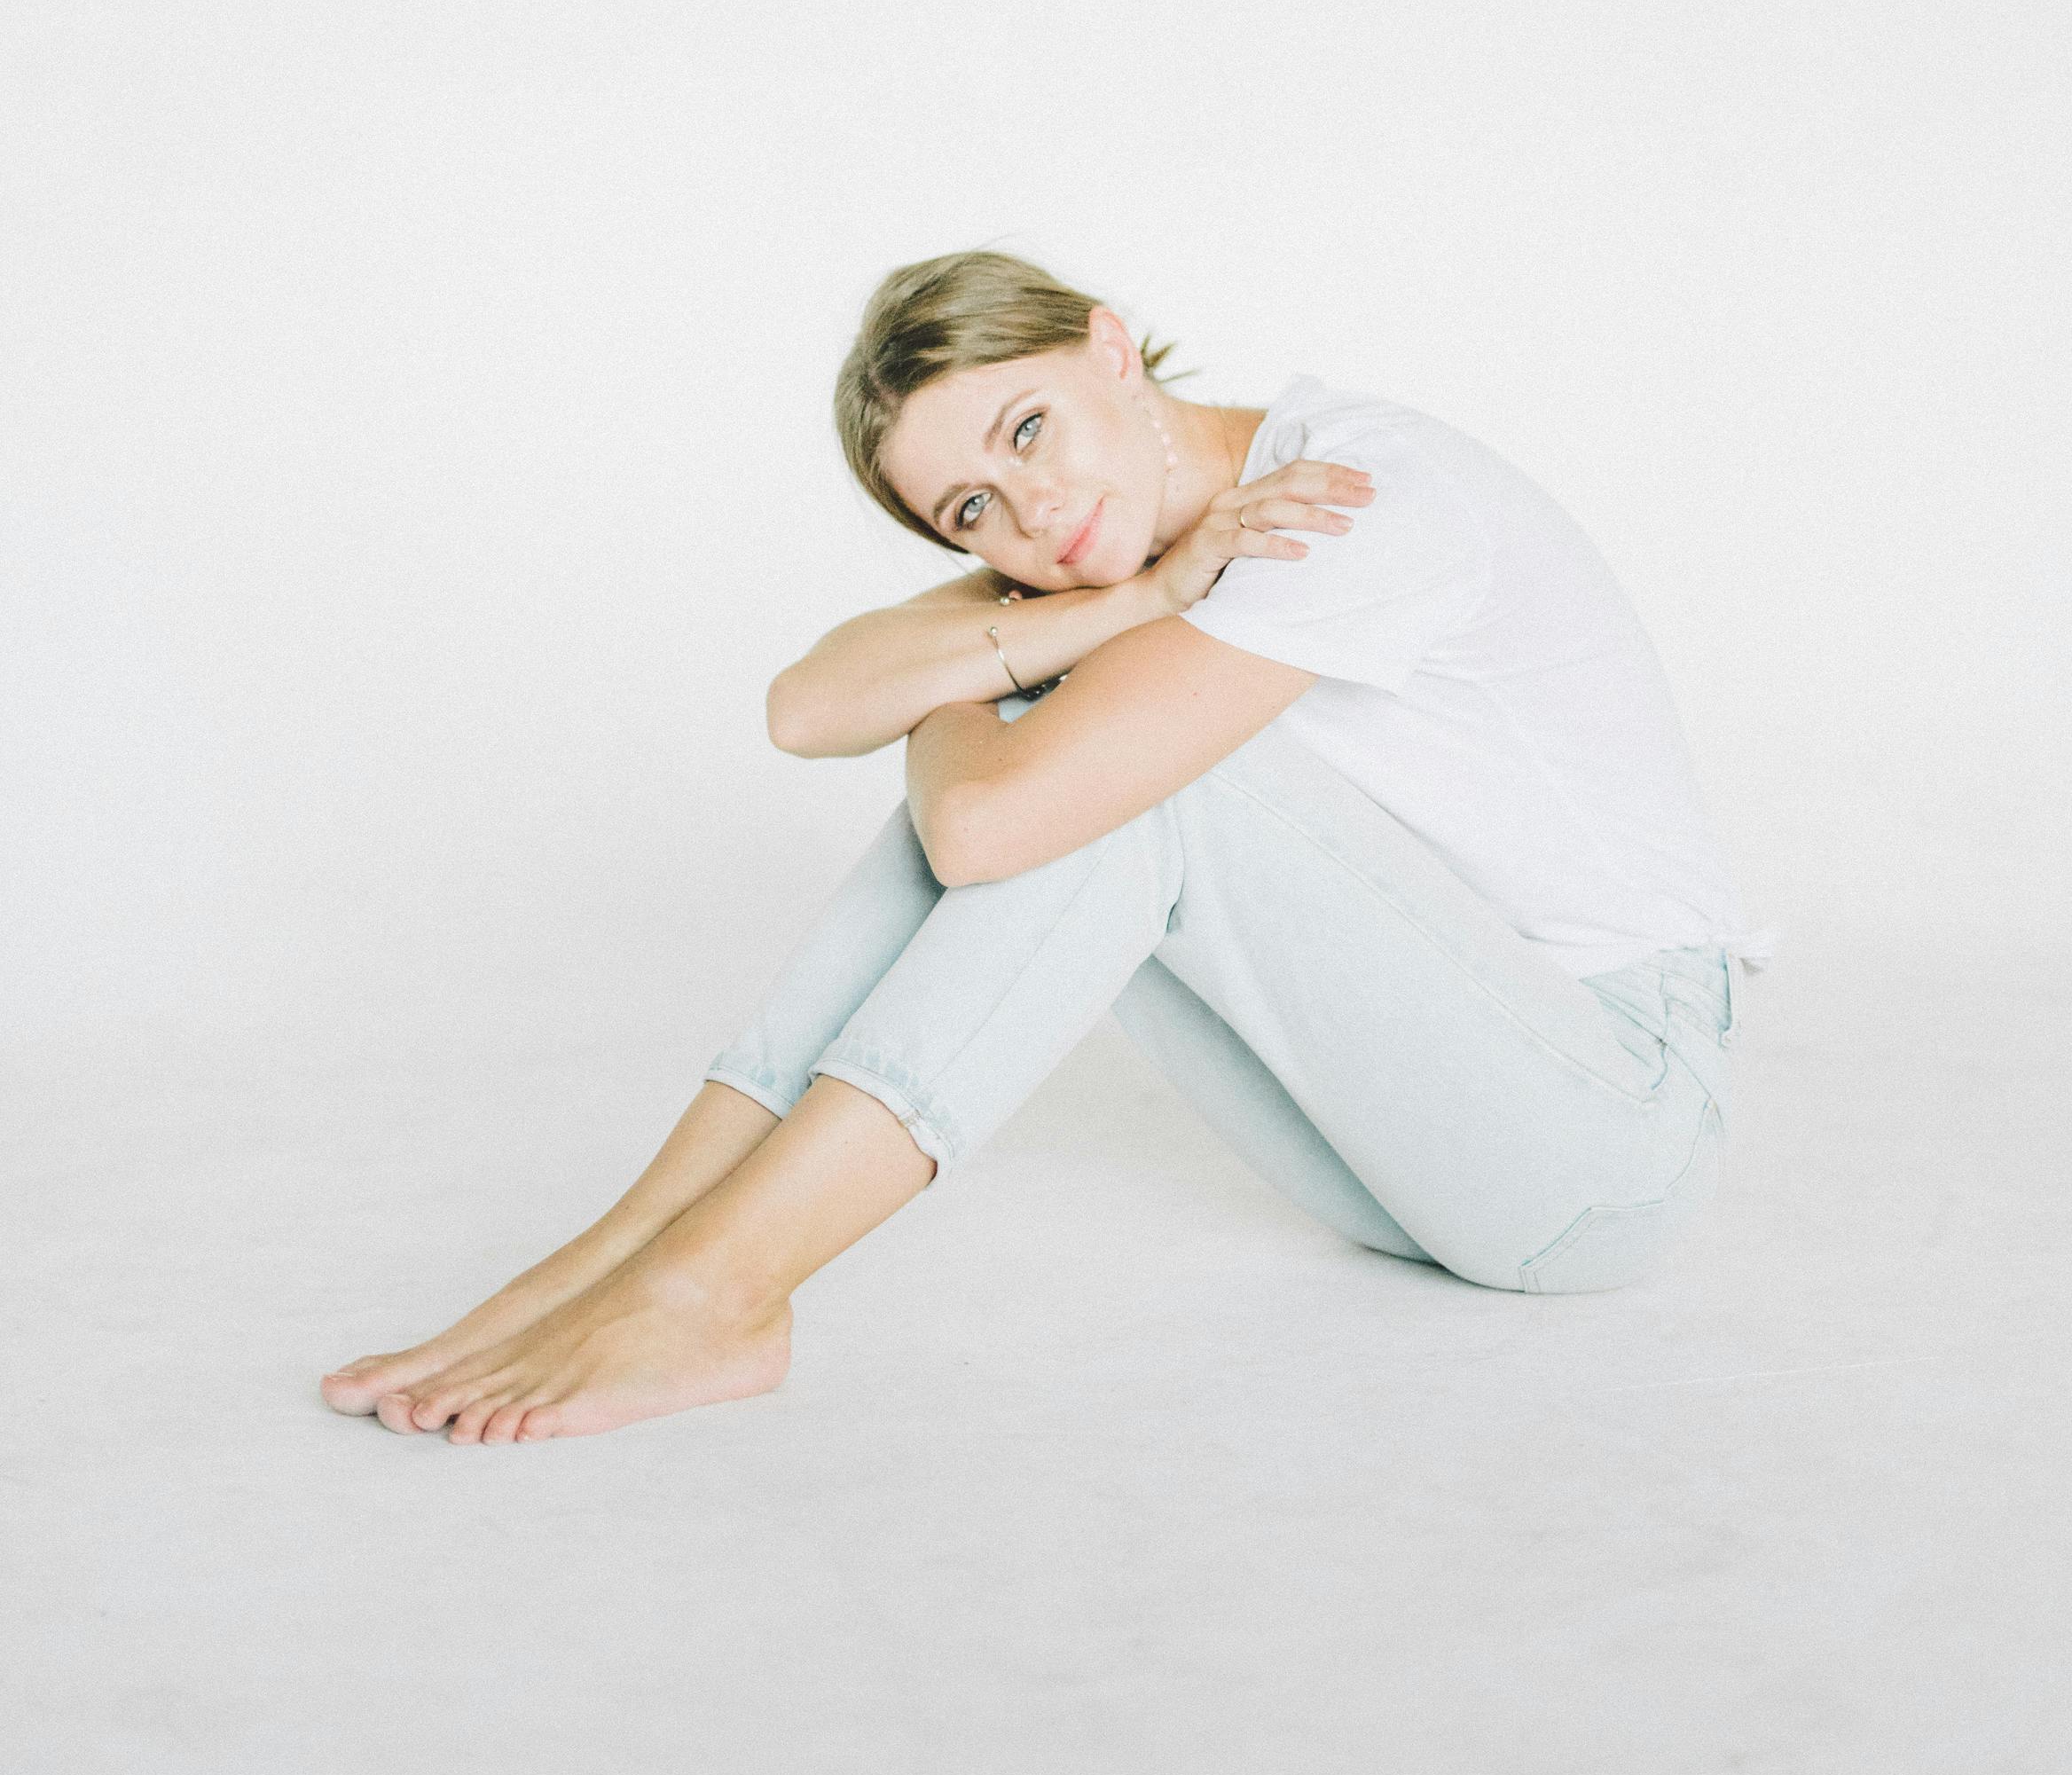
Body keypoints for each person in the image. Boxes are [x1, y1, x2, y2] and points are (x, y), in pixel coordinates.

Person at [322, 247, 1772, 1443]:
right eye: (973, 510)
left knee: (1107, 777)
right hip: (1407, 1161)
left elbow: (981, 824)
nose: (1038, 515)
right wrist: (1114, 612)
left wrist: (990, 672)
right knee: (1047, 728)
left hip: (1609, 1135)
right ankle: (627, 1252)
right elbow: (806, 706)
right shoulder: (1136, 559)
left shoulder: (1341, 500)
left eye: (1028, 430)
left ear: (1110, 348)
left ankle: (715, 1290)